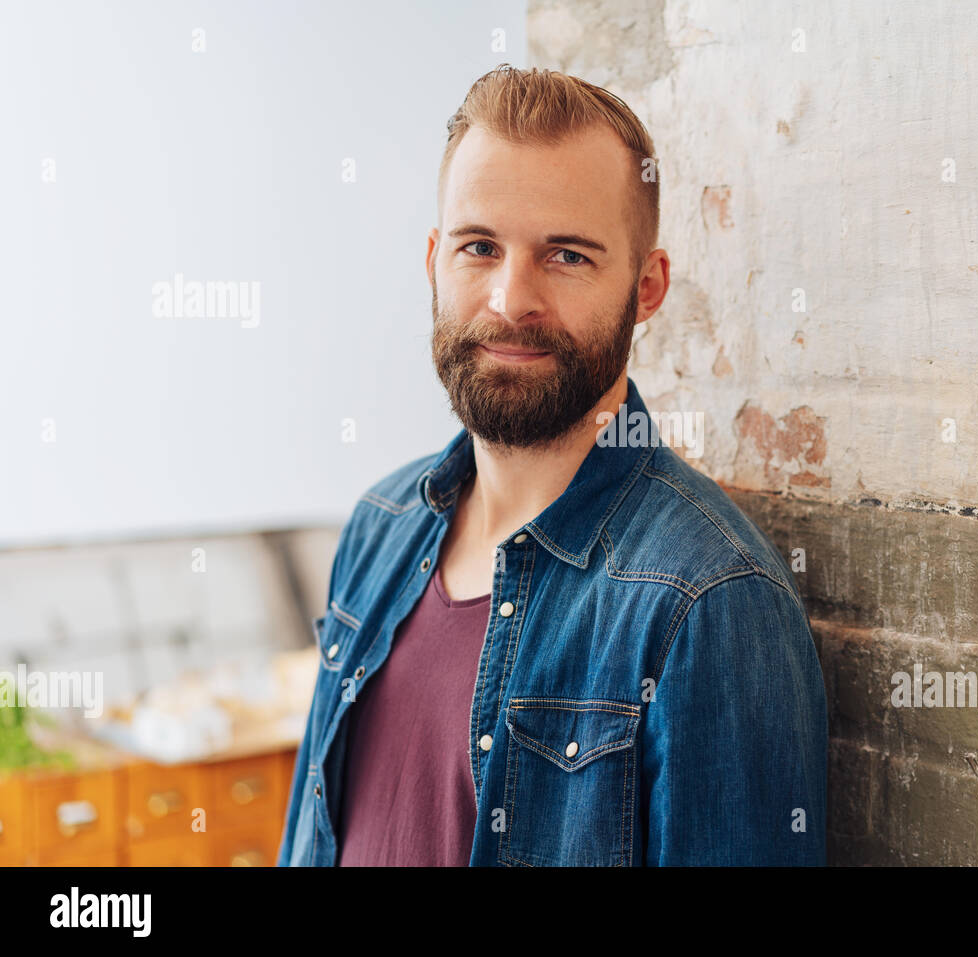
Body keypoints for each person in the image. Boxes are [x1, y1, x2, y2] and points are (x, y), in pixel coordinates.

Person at [277, 64, 826, 866]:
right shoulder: (378, 526)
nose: (509, 298)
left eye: (565, 255)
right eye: (479, 247)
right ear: (435, 260)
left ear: (647, 287)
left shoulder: (708, 603)